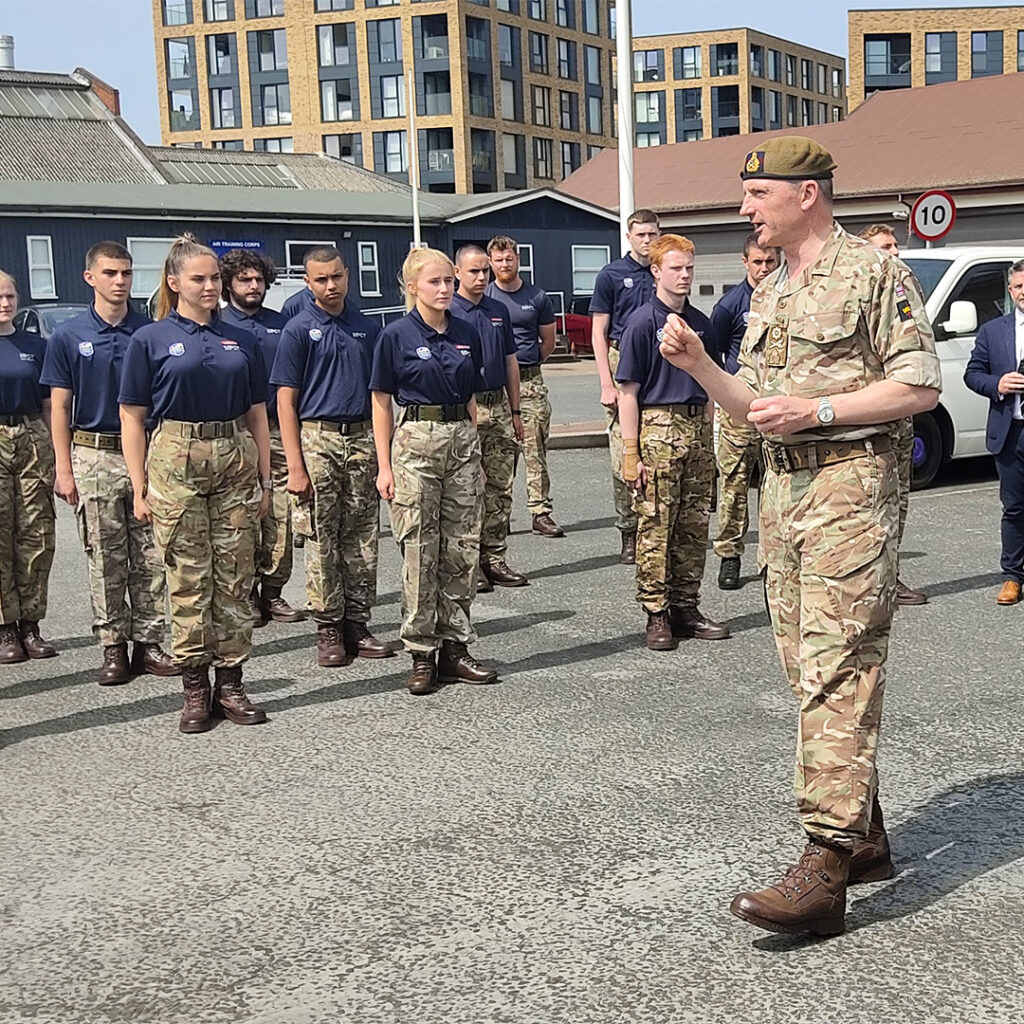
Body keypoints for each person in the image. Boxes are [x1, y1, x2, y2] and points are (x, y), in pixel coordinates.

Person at [659, 137, 941, 936]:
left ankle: (824, 863)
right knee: (804, 664)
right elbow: (756, 408)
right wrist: (702, 368)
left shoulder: (874, 272)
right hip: (785, 496)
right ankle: (867, 835)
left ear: (807, 194)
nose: (746, 208)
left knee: (837, 664)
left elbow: (919, 385)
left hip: (852, 490)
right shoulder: (774, 289)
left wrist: (820, 412)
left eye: (759, 195)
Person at [119, 234, 272, 734]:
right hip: (175, 457)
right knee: (187, 578)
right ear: (174, 282)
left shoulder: (243, 339)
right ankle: (194, 687)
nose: (209, 287)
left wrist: (267, 478)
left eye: (213, 279)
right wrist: (139, 486)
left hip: (234, 454)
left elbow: (257, 412)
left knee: (234, 576)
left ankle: (231, 682)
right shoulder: (150, 339)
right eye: (198, 279)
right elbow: (133, 416)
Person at [41, 242, 175, 684]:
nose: (120, 281)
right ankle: (113, 645)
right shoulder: (69, 336)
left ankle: (149, 642)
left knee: (152, 555)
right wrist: (63, 467)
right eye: (111, 273)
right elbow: (59, 406)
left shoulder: (150, 332)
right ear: (90, 278)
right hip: (94, 452)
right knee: (105, 555)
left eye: (127, 273)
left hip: (146, 451)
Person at [371, 248, 498, 696]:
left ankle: (456, 647)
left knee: (462, 550)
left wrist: (476, 455)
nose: (445, 289)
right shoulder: (396, 336)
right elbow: (381, 402)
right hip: (415, 442)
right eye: (434, 282)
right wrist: (384, 465)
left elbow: (470, 399)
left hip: (461, 439)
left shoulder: (468, 331)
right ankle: (422, 652)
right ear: (411, 287)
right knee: (420, 550)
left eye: (448, 281)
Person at [272, 246, 392, 666]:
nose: (331, 285)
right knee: (321, 537)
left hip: (360, 439)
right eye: (321, 279)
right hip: (317, 440)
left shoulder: (367, 327)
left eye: (337, 276)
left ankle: (357, 622)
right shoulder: (299, 329)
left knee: (362, 537)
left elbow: (381, 397)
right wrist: (295, 466)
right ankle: (328, 627)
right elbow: (285, 402)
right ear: (308, 283)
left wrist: (384, 458)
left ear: (347, 275)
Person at [616, 234, 730, 650]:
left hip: (696, 428)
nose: (684, 276)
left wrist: (710, 433)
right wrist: (631, 453)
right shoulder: (642, 322)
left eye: (689, 268)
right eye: (676, 269)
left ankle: (686, 606)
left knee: (693, 526)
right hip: (658, 429)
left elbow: (711, 380)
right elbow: (628, 391)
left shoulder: (701, 323)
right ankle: (656, 613)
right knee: (656, 527)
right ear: (656, 271)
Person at [219, 248, 304, 626]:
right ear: (228, 285)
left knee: (280, 514)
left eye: (259, 280)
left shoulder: (282, 324)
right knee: (241, 516)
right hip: (235, 430)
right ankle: (245, 592)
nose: (253, 286)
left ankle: (273, 591)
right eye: (244, 280)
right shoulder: (217, 325)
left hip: (277, 427)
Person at [858, 224, 928, 606]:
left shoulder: (904, 286)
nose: (896, 251)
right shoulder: (860, 289)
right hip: (873, 411)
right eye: (886, 246)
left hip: (901, 412)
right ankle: (869, 578)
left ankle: (891, 574)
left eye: (896, 245)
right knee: (872, 501)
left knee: (899, 499)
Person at [452, 244, 528, 591]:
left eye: (485, 271)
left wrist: (515, 410)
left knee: (500, 487)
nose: (482, 277)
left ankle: (493, 557)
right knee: (468, 488)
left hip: (498, 405)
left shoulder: (498, 309)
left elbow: (511, 361)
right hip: (467, 408)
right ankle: (470, 563)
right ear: (457, 273)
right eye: (474, 271)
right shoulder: (449, 311)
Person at [707, 234, 780, 590]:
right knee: (734, 483)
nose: (764, 269)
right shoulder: (730, 305)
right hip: (740, 408)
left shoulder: (787, 296)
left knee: (776, 485)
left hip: (779, 407)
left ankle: (772, 559)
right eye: (758, 262)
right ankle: (729, 555)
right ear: (745, 263)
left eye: (770, 261)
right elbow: (716, 354)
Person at [590, 210, 661, 564]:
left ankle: (655, 526)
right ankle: (628, 530)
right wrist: (606, 381)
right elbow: (598, 331)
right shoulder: (612, 275)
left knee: (659, 445)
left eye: (652, 234)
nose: (647, 241)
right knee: (624, 453)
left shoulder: (666, 270)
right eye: (641, 235)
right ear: (629, 238)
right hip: (622, 361)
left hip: (660, 358)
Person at [484, 236, 563, 538]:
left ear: (518, 260)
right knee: (495, 456)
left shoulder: (538, 297)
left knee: (534, 451)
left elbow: (548, 341)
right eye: (499, 260)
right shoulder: (485, 297)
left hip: (530, 383)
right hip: (495, 388)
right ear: (491, 263)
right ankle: (496, 516)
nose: (505, 264)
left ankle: (540, 512)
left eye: (509, 259)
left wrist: (525, 365)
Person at [0, 270, 56, 664]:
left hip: (32, 435)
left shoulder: (35, 345)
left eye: (10, 296)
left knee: (36, 533)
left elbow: (51, 403)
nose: (5, 303)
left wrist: (56, 451)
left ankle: (31, 624)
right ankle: (5, 627)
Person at [964, 259, 1024, 606]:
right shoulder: (992, 331)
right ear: (1010, 289)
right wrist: (997, 384)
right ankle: (1012, 577)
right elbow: (972, 374)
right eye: (1018, 287)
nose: (1022, 292)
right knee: (1014, 508)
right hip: (1010, 431)